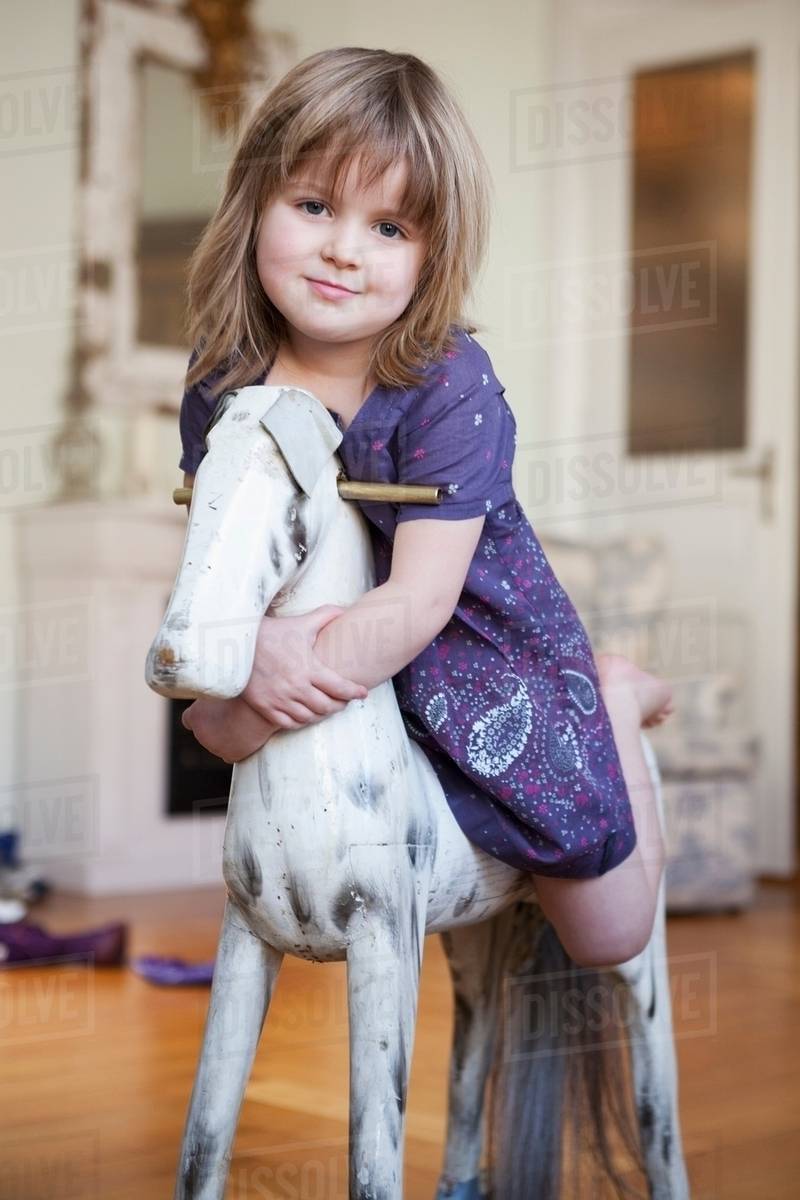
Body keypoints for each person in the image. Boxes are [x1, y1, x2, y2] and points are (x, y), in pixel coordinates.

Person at [176, 46, 675, 969]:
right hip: (334, 659)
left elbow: (416, 605)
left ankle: (610, 693)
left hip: (477, 657)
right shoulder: (222, 378)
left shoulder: (448, 383)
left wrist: (244, 702)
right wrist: (245, 661)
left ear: (431, 253)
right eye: (314, 205)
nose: (342, 249)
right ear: (256, 203)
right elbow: (219, 567)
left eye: (389, 228)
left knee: (611, 938)